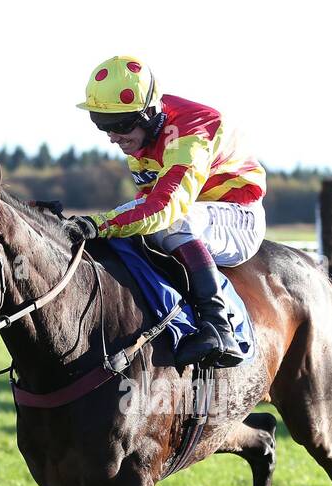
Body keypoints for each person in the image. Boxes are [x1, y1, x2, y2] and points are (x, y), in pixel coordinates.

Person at [66, 55, 267, 368]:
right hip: (198, 216)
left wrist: (98, 225)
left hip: (238, 216)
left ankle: (219, 325)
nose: (112, 136)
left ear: (149, 113)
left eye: (118, 125)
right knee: (130, 228)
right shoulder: (140, 137)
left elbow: (166, 207)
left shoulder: (193, 130)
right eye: (101, 124)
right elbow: (145, 201)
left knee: (172, 221)